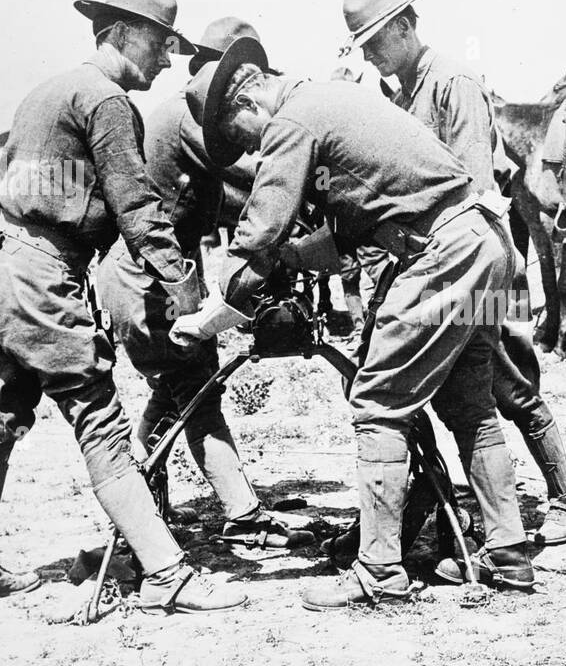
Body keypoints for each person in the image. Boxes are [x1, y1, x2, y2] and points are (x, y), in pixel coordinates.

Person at [169, 37, 535, 610]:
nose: (256, 147)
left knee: (379, 404)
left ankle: (380, 571)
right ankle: (508, 554)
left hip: (440, 253)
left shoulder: (292, 119)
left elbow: (260, 232)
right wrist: (292, 257)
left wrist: (213, 316)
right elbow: (347, 237)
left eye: (245, 138)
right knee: (469, 401)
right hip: (481, 240)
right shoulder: (333, 100)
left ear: (248, 103)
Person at [0, 0, 246, 615]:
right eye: (162, 45)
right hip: (42, 275)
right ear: (122, 34)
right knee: (100, 422)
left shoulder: (48, 90)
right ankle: (169, 573)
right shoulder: (107, 102)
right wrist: (187, 292)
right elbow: (137, 208)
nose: (168, 60)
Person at [339, 0, 566, 554]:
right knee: (461, 394)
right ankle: (460, 523)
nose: (370, 53)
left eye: (375, 39)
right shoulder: (399, 95)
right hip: (440, 265)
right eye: (362, 44)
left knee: (510, 385)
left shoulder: (454, 84)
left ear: (404, 25)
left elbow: (472, 189)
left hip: (475, 258)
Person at [95, 16, 311, 550]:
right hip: (149, 279)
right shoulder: (192, 118)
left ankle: (140, 502)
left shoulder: (190, 112)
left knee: (177, 391)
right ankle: (239, 512)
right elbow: (257, 174)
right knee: (196, 392)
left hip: (162, 276)